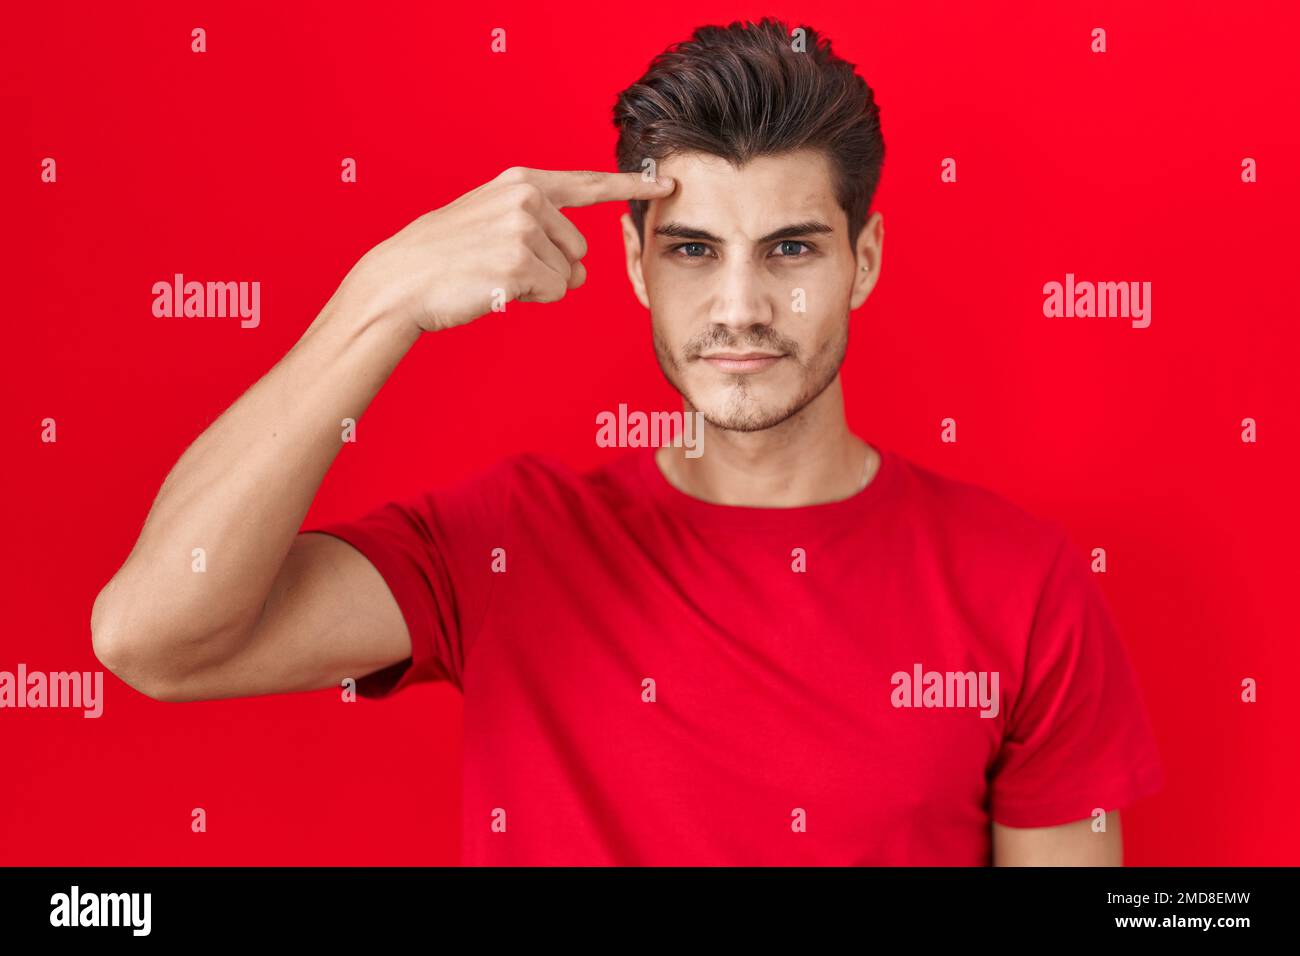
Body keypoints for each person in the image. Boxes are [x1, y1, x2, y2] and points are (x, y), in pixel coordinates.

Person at [90, 17, 1163, 865]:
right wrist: (383, 296)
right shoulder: (513, 541)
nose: (740, 306)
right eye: (694, 249)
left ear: (865, 258)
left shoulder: (1022, 583)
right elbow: (154, 638)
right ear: (639, 266)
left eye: (790, 247)